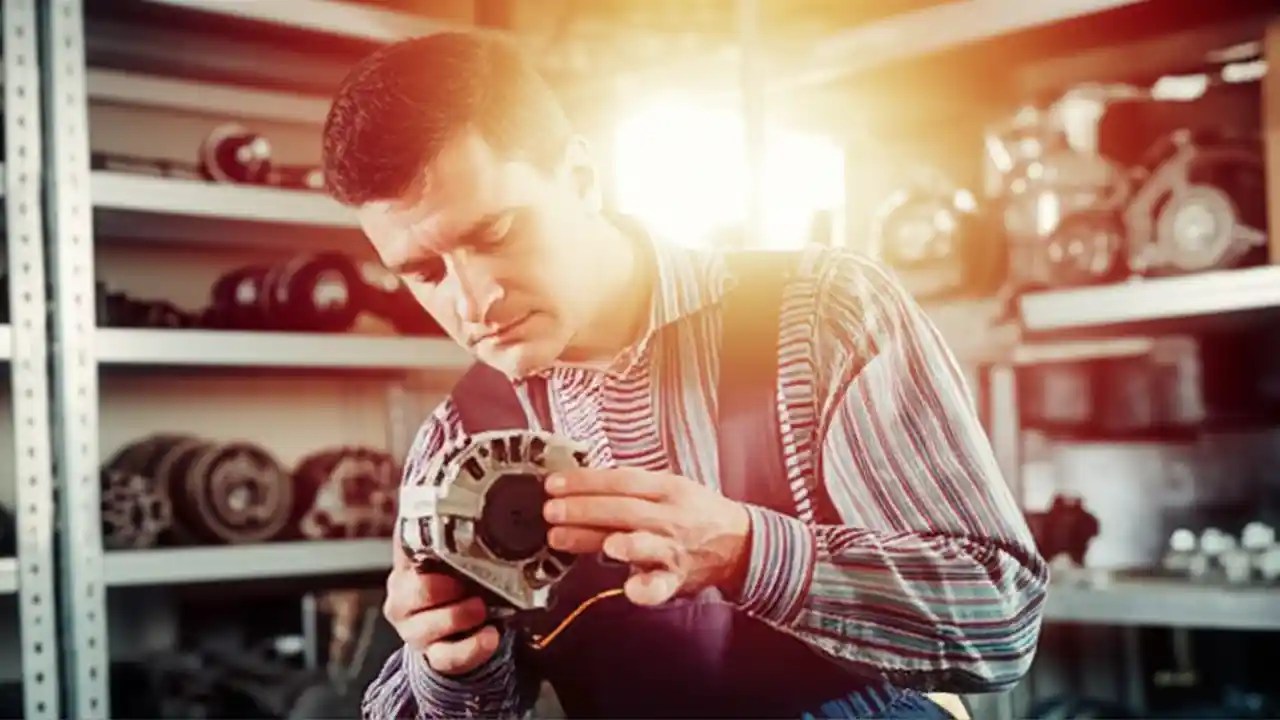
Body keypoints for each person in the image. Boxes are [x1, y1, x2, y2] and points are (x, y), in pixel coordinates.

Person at [321, 31, 1047, 720]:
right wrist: (450, 663)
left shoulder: (823, 319)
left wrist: (746, 552)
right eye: (422, 272)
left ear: (579, 178)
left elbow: (1001, 618)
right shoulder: (460, 444)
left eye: (498, 233)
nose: (473, 300)